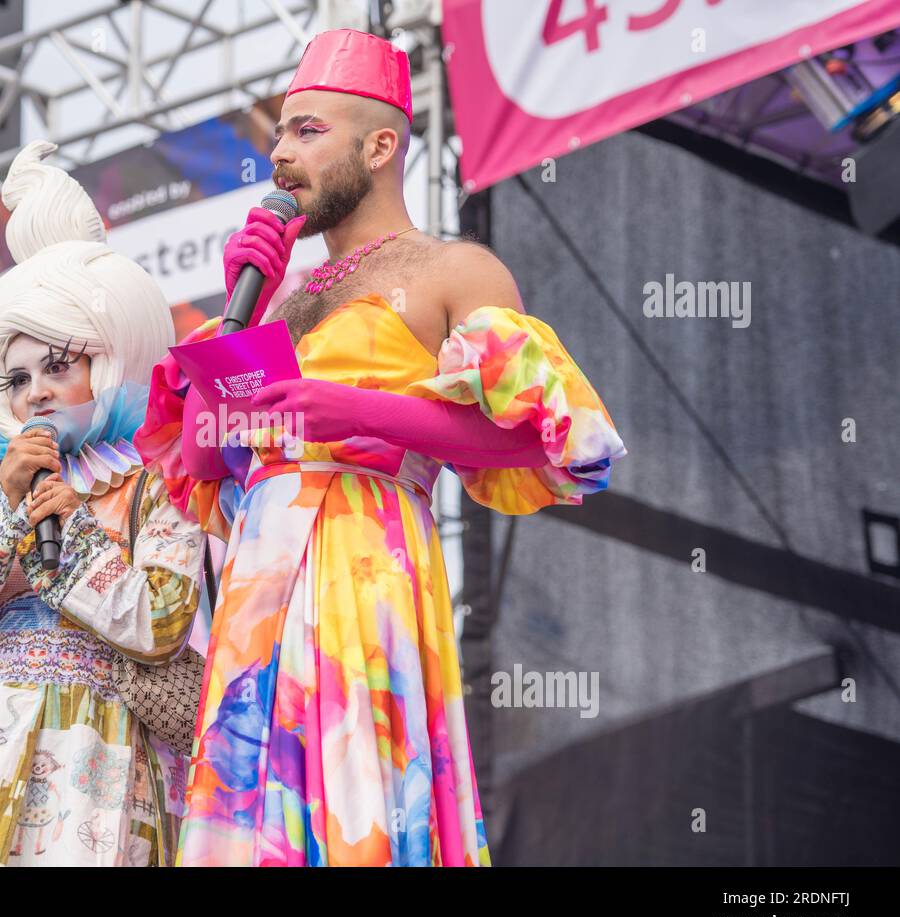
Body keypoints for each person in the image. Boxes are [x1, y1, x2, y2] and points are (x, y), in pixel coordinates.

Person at [135, 29, 628, 866]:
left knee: (357, 795)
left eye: (306, 132)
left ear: (381, 144)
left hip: (367, 559)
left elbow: (546, 439)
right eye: (278, 136)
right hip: (258, 587)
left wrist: (356, 415)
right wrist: (238, 317)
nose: (281, 156)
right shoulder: (279, 299)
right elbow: (205, 464)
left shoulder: (451, 269)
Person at [0, 141, 206, 866]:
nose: (35, 391)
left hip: (98, 767)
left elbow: (163, 620)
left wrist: (68, 527)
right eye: (15, 378)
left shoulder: (153, 487)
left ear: (110, 361)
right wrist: (11, 509)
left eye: (58, 365)